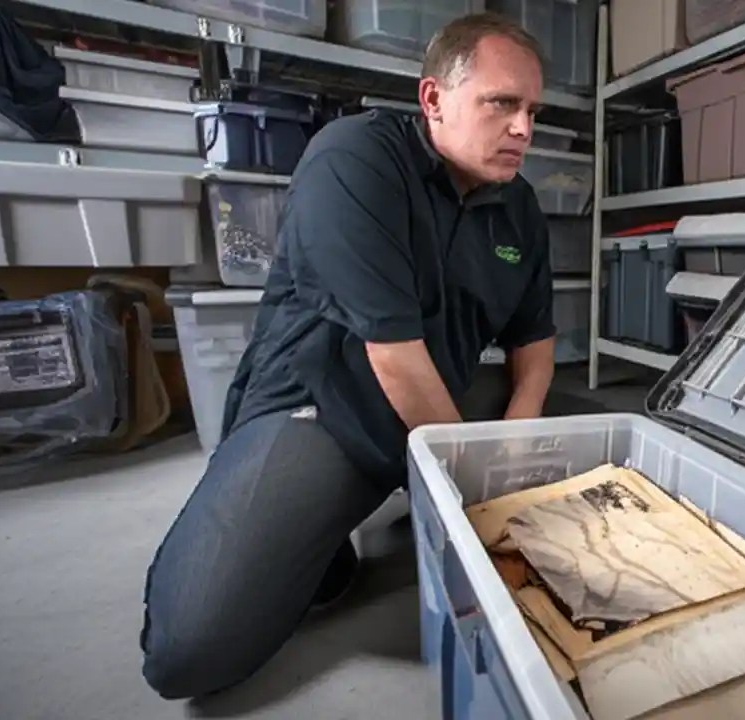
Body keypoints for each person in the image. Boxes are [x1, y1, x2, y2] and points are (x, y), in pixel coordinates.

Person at [139, 12, 556, 700]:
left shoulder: (520, 207)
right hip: (326, 410)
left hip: (437, 404)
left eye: (532, 111)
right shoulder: (355, 160)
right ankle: (315, 523)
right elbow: (392, 359)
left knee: (570, 428)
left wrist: (514, 444)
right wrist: (478, 495)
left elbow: (534, 345)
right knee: (189, 654)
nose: (524, 130)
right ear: (433, 100)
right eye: (502, 104)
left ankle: (399, 500)